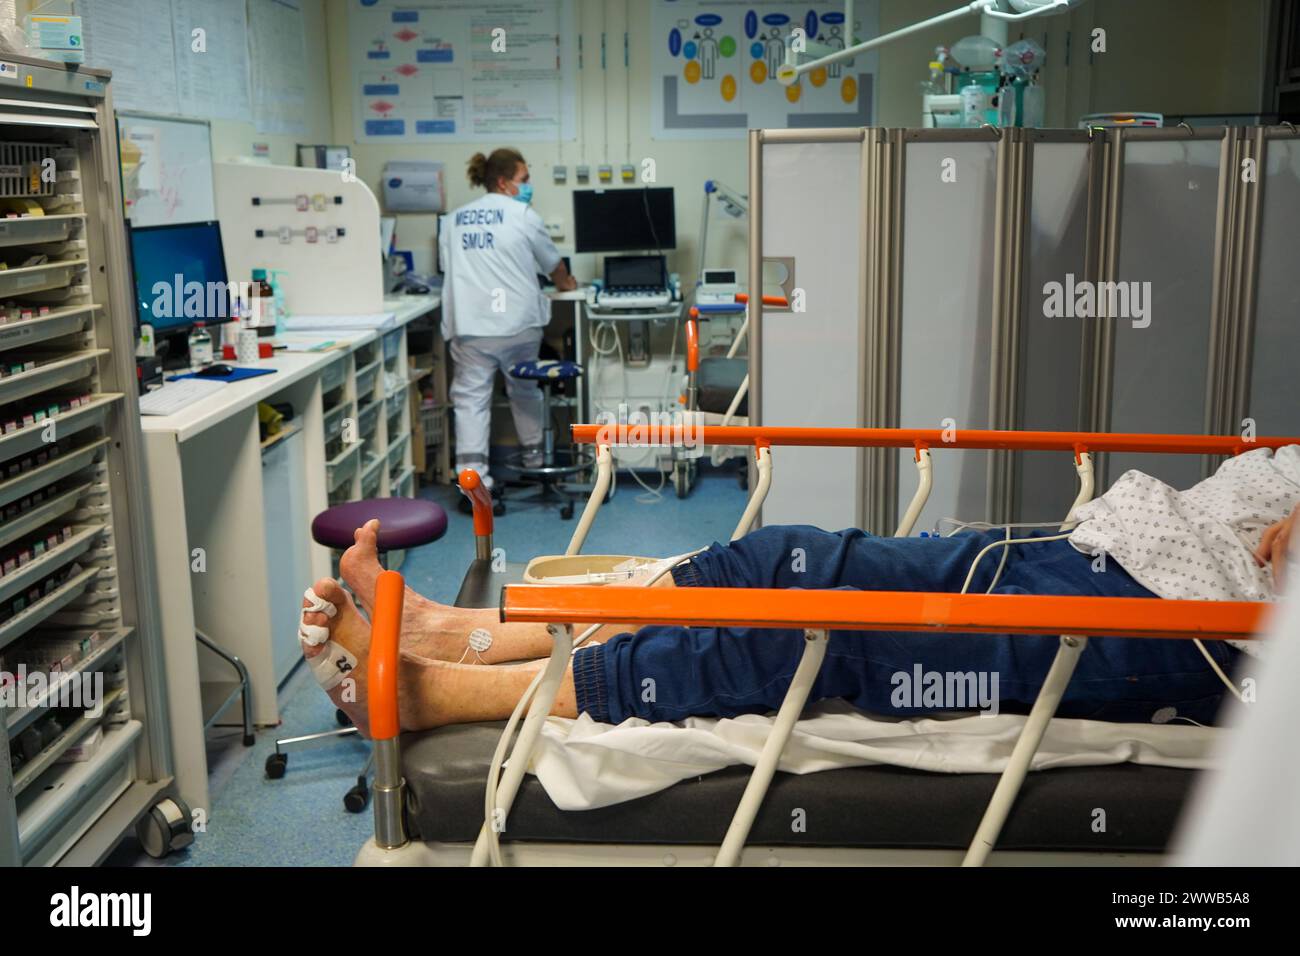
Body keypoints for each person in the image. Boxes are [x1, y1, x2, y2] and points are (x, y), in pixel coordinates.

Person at [299, 446, 1299, 736]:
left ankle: (438, 689)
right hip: (1104, 551)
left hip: (1193, 629)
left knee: (814, 640)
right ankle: (454, 628)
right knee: (778, 556)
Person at [439, 148, 577, 512]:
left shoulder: (453, 220)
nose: (529, 186)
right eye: (525, 179)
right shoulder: (523, 214)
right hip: (517, 325)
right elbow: (554, 266)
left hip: (470, 327)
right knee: (525, 391)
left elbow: (447, 268)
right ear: (504, 182)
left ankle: (474, 485)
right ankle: (536, 464)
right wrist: (567, 283)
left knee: (471, 402)